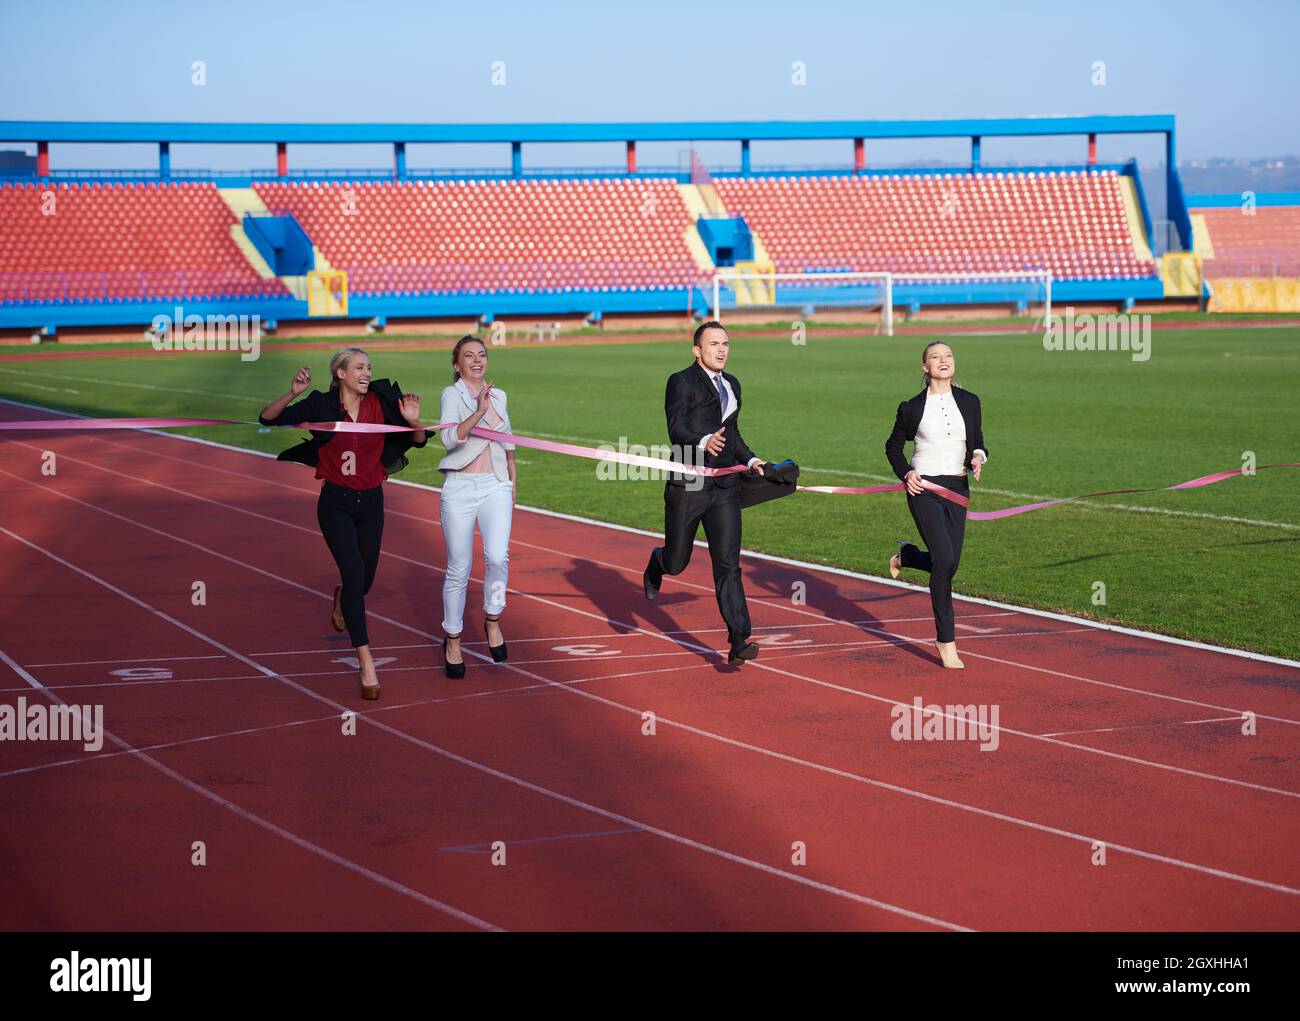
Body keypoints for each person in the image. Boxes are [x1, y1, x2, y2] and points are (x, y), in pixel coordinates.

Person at [259, 348, 426, 700]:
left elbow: (420, 441)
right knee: (353, 573)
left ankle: (341, 598)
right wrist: (293, 392)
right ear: (340, 374)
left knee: (364, 580)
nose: (366, 373)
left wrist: (412, 421)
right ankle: (366, 661)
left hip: (372, 502)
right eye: (359, 367)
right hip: (335, 503)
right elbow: (268, 419)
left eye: (369, 367)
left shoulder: (383, 401)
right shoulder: (321, 404)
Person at [642, 320, 771, 665]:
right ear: (697, 351)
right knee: (678, 561)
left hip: (725, 488)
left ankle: (739, 639)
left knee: (728, 564)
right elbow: (676, 427)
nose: (722, 350)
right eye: (714, 344)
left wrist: (752, 460)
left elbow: (733, 433)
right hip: (689, 484)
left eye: (726, 343)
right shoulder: (680, 381)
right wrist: (702, 441)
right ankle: (659, 563)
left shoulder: (733, 385)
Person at [884, 341, 987, 670]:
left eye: (948, 356)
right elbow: (893, 447)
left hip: (958, 487)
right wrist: (906, 473)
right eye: (935, 358)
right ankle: (946, 641)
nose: (943, 361)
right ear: (925, 368)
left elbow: (978, 440)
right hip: (924, 488)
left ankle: (909, 556)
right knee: (943, 560)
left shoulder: (970, 401)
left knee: (950, 562)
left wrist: (978, 456)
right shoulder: (912, 407)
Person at [436, 335, 516, 679]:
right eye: (469, 356)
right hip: (460, 487)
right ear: (457, 365)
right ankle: (452, 638)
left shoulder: (499, 394)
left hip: (496, 484)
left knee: (498, 557)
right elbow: (450, 439)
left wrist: (512, 479)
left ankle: (493, 618)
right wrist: (479, 410)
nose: (477, 360)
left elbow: (509, 440)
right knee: (459, 566)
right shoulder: (451, 395)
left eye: (481, 355)